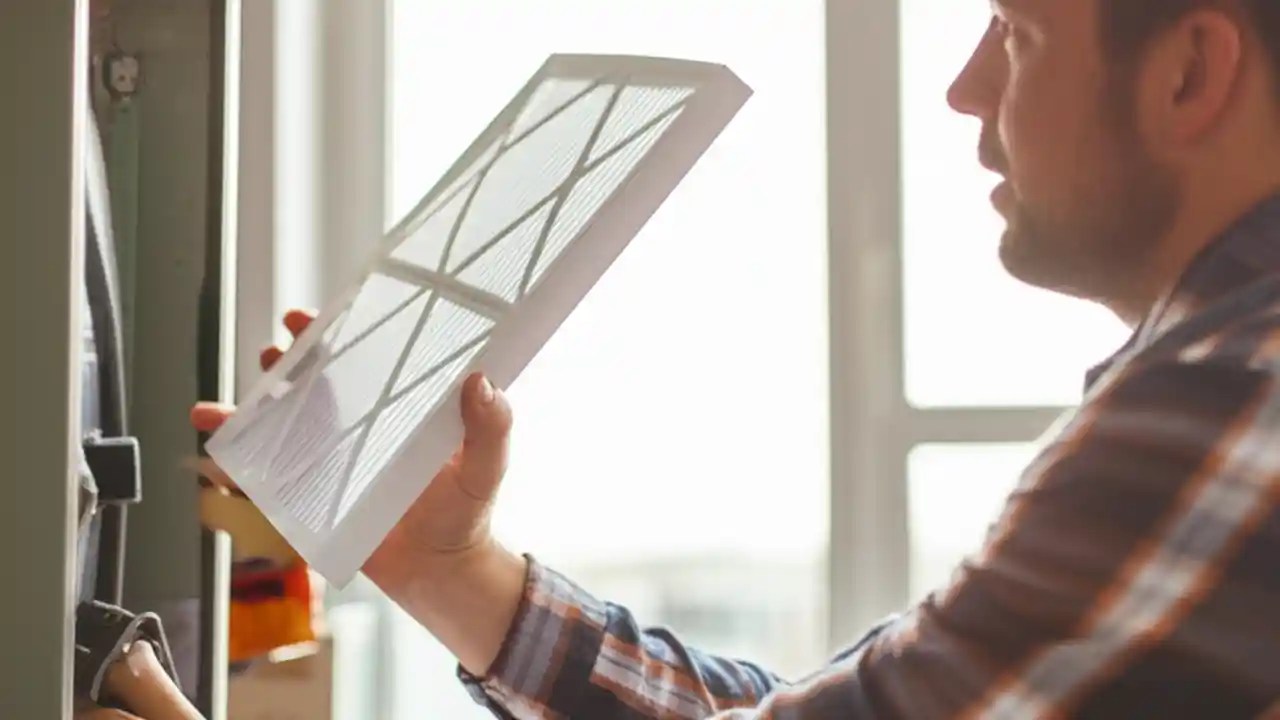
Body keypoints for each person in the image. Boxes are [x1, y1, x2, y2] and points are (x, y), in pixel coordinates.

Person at [193, 0, 1280, 716]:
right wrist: (447, 568)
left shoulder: (1228, 386)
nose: (965, 84)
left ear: (1188, 71)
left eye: (1015, 28)